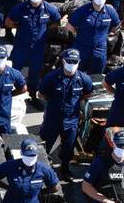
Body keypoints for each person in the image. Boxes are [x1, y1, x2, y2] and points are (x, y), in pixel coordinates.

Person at [35, 50, 93, 183]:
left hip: (71, 120)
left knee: (69, 146)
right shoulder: (51, 77)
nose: (71, 64)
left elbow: (88, 93)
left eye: (74, 61)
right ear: (63, 61)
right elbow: (41, 94)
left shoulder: (84, 79)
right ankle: (41, 168)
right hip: (53, 118)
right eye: (69, 61)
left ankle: (65, 167)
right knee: (45, 144)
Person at [66, 0, 121, 73]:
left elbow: (116, 26)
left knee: (96, 77)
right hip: (82, 48)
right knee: (78, 74)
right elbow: (69, 25)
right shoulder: (82, 10)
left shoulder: (110, 11)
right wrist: (78, 33)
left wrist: (108, 34)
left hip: (100, 50)